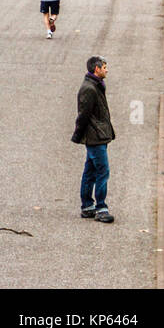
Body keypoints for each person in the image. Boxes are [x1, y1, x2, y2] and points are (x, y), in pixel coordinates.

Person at [71, 56, 115, 222]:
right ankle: (101, 208)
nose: (106, 69)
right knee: (102, 172)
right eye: (104, 67)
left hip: (98, 135)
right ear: (96, 69)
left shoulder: (96, 85)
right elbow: (83, 115)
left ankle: (87, 206)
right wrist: (79, 134)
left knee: (90, 172)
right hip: (95, 137)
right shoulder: (89, 89)